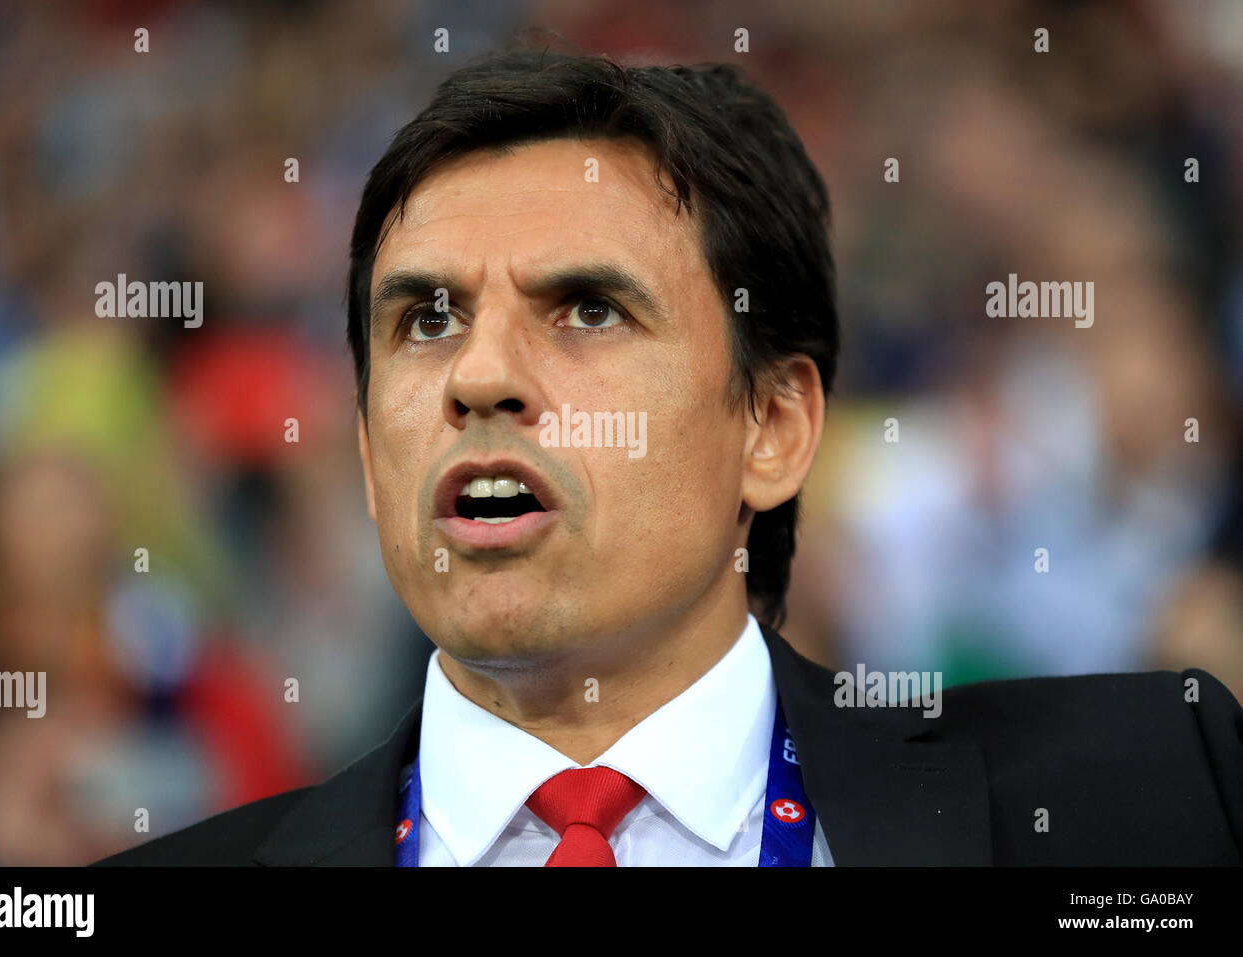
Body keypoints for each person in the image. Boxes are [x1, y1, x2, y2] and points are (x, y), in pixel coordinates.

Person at [97, 48, 1243, 867]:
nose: (475, 376)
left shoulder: (1150, 791)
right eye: (427, 319)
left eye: (586, 309)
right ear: (363, 452)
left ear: (776, 428)